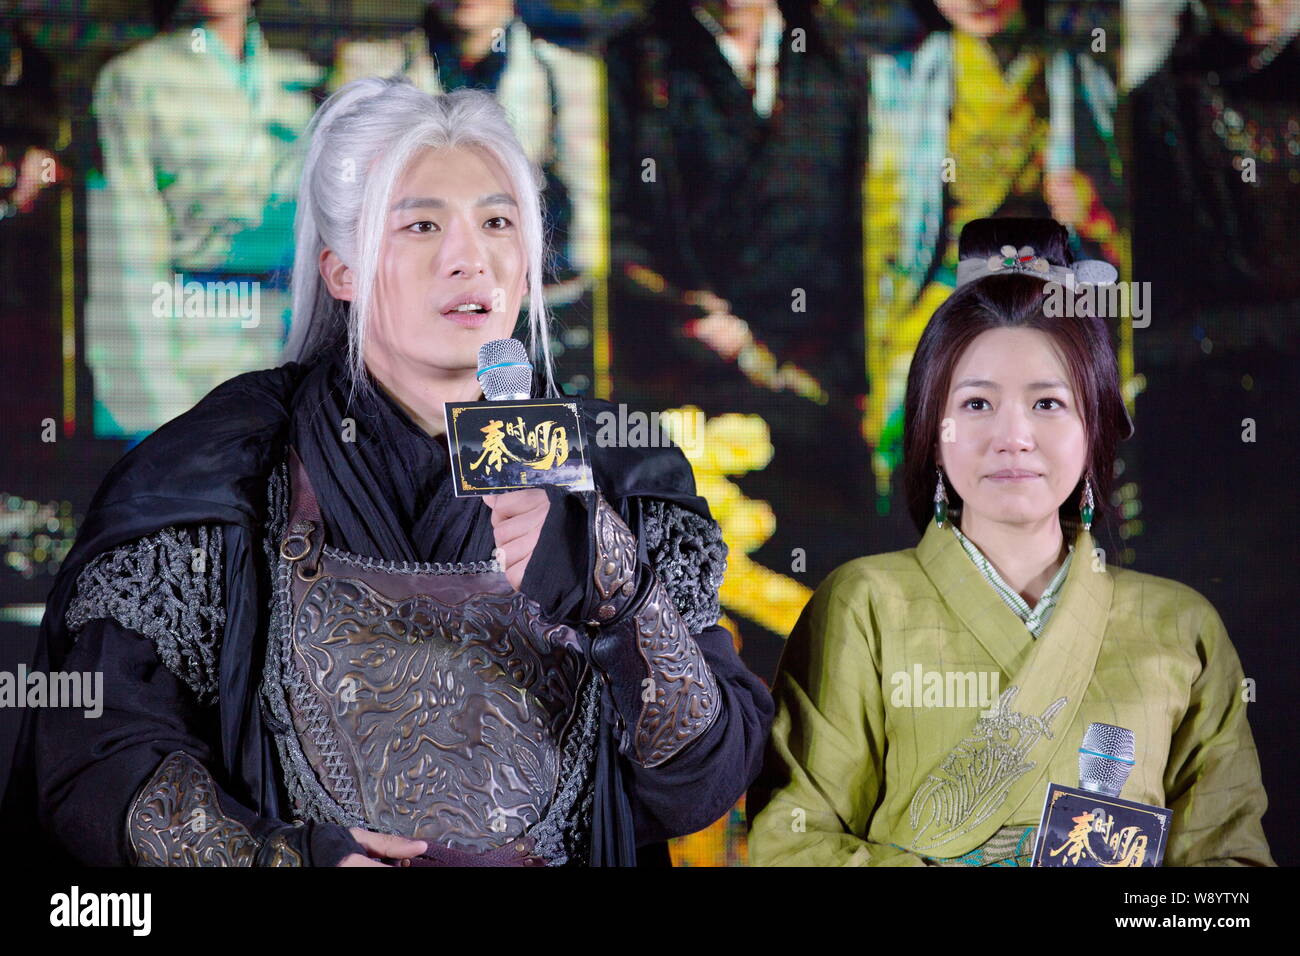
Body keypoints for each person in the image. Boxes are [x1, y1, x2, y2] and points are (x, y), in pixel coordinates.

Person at [2, 76, 772, 866]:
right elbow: (96, 755)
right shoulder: (218, 471)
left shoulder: (615, 466)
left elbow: (705, 781)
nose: (469, 258)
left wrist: (612, 593)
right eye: (421, 224)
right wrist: (277, 857)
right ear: (341, 269)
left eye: (497, 221)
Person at [746, 218, 1274, 866]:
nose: (1013, 436)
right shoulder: (863, 606)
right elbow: (787, 841)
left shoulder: (1182, 627)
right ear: (930, 428)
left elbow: (1232, 866)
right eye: (975, 404)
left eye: (1049, 403)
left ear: (1094, 426)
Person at [84, 0, 322, 438]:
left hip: (289, 333)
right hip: (191, 338)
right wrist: (153, 404)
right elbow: (126, 245)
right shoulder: (135, 79)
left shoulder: (300, 77)